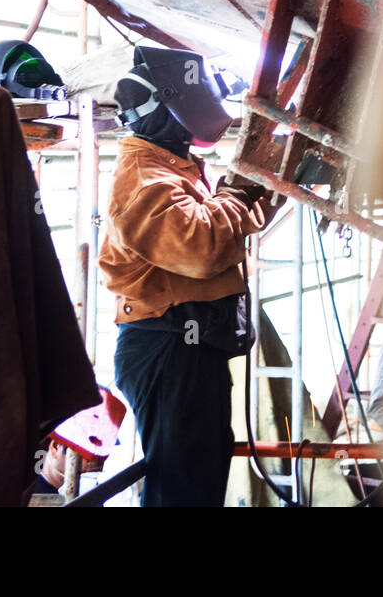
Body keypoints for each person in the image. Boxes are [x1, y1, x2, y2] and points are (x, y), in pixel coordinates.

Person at [99, 46, 268, 506]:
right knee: (182, 490)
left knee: (200, 479)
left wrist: (247, 196)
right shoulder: (143, 179)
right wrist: (237, 197)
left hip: (192, 346)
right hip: (168, 346)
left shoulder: (170, 166)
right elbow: (200, 248)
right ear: (167, 113)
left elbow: (222, 229)